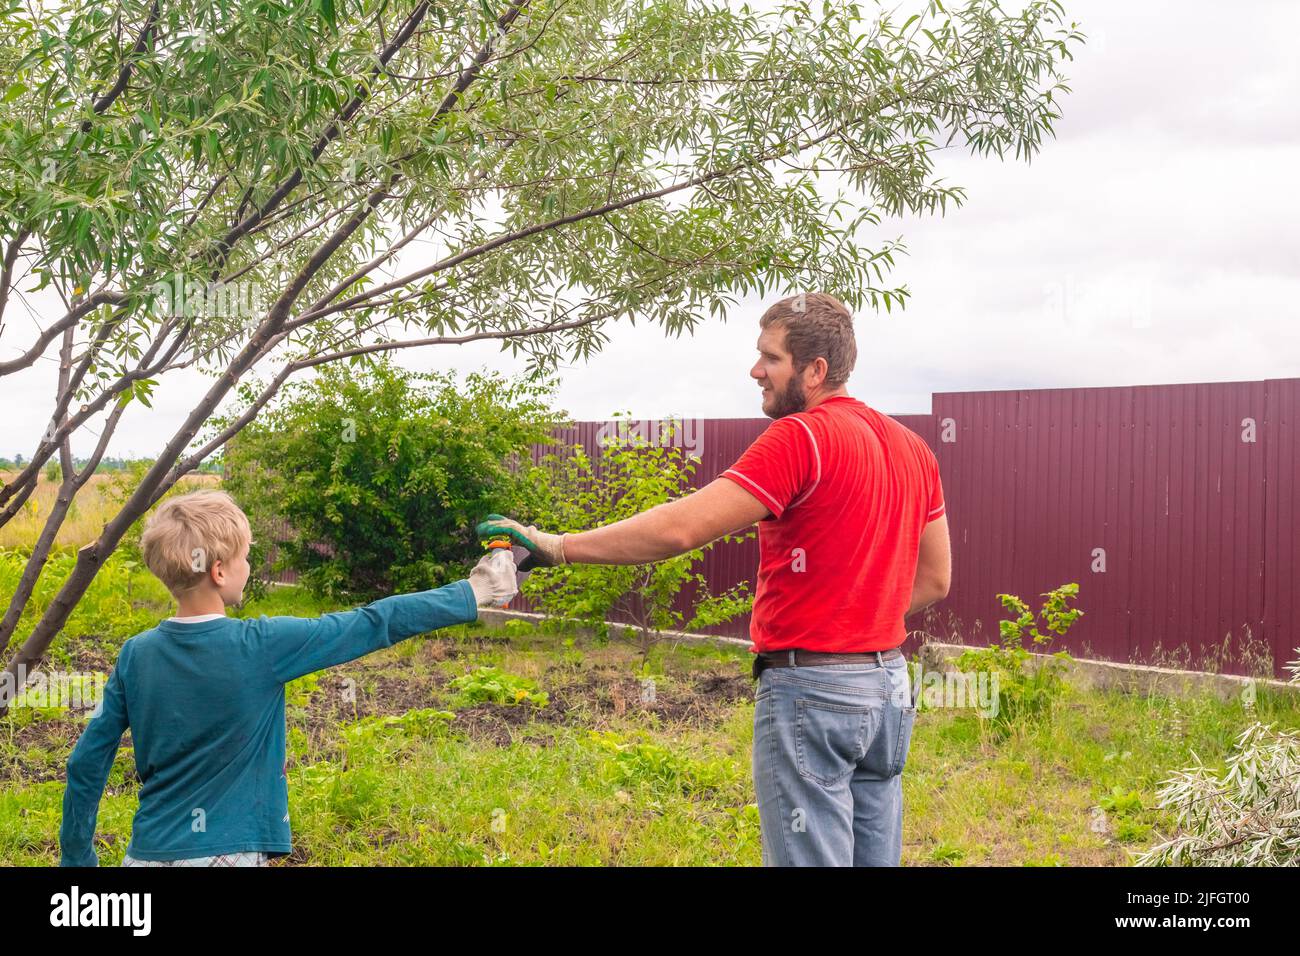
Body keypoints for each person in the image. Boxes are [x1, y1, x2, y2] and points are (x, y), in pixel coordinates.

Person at [479, 291, 951, 866]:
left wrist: (557, 546)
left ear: (816, 370)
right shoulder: (913, 449)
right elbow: (935, 580)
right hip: (888, 691)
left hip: (814, 693)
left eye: (771, 358)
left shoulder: (801, 437)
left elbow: (680, 530)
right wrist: (860, 616)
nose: (756, 371)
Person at [59, 489, 518, 867]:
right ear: (218, 571)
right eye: (245, 558)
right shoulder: (263, 645)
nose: (249, 567)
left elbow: (85, 764)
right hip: (228, 855)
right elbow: (374, 622)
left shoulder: (135, 655)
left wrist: (78, 860)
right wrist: (476, 591)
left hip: (145, 856)